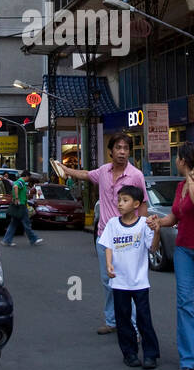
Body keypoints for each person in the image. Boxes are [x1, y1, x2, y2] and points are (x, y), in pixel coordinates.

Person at [147, 141, 194, 370]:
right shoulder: (180, 187)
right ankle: (189, 358)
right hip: (184, 252)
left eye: (177, 157)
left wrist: (193, 179)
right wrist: (159, 221)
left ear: (183, 161)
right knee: (184, 303)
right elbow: (176, 216)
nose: (174, 160)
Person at [58, 132, 145, 334]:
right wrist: (66, 170)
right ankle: (112, 320)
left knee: (129, 282)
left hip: (127, 238)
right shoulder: (104, 171)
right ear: (111, 151)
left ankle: (133, 326)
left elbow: (143, 205)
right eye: (118, 148)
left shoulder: (136, 175)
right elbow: (85, 174)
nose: (122, 152)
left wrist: (142, 232)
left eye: (126, 148)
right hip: (104, 236)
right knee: (108, 281)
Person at [98, 185, 160, 369]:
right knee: (123, 319)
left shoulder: (143, 224)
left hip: (139, 282)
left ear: (136, 204)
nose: (120, 204)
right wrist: (109, 264)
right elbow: (108, 246)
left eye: (125, 201)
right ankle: (129, 353)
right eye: (119, 200)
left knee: (144, 319)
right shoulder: (112, 224)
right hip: (119, 282)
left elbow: (153, 248)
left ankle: (150, 354)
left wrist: (157, 231)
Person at [2, 171, 43, 246]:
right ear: (26, 176)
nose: (28, 179)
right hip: (21, 205)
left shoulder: (19, 182)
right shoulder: (21, 182)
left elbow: (21, 193)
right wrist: (17, 198)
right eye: (28, 177)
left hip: (19, 204)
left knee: (13, 224)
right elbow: (15, 187)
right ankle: (33, 239)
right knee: (26, 223)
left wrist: (20, 197)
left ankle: (6, 240)